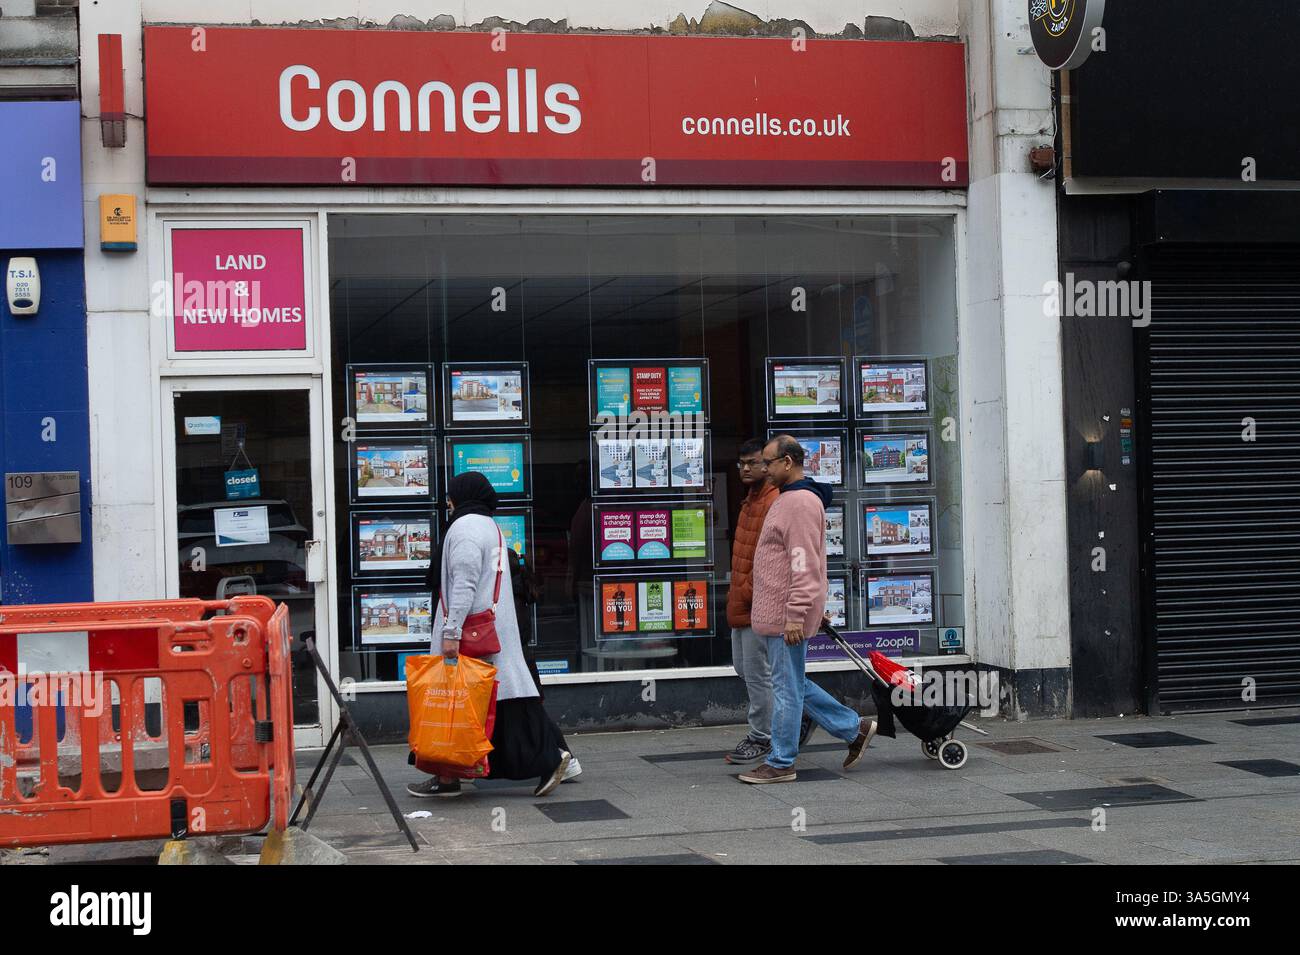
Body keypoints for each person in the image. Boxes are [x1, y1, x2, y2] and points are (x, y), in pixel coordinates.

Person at [408, 471, 571, 798]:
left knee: (455, 702)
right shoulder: (490, 526)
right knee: (481, 705)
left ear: (463, 495)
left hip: (472, 634)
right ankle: (449, 776)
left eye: (451, 495)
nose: (448, 501)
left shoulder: (466, 529)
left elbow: (465, 583)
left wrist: (452, 630)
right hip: (493, 631)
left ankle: (545, 760)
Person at [738, 435, 876, 785]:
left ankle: (782, 762)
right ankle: (853, 727)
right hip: (780, 613)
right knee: (791, 683)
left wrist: (798, 612)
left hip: (786, 617)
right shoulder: (790, 500)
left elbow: (804, 563)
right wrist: (811, 606)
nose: (764, 469)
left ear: (787, 462)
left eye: (768, 462)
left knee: (785, 689)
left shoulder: (798, 503)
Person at [723, 438, 779, 764]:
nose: (745, 468)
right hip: (743, 604)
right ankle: (790, 716)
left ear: (768, 466)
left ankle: (763, 737)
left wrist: (745, 592)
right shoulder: (750, 502)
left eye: (752, 463)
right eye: (741, 463)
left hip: (758, 604)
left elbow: (768, 559)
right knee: (745, 669)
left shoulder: (772, 502)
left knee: (759, 675)